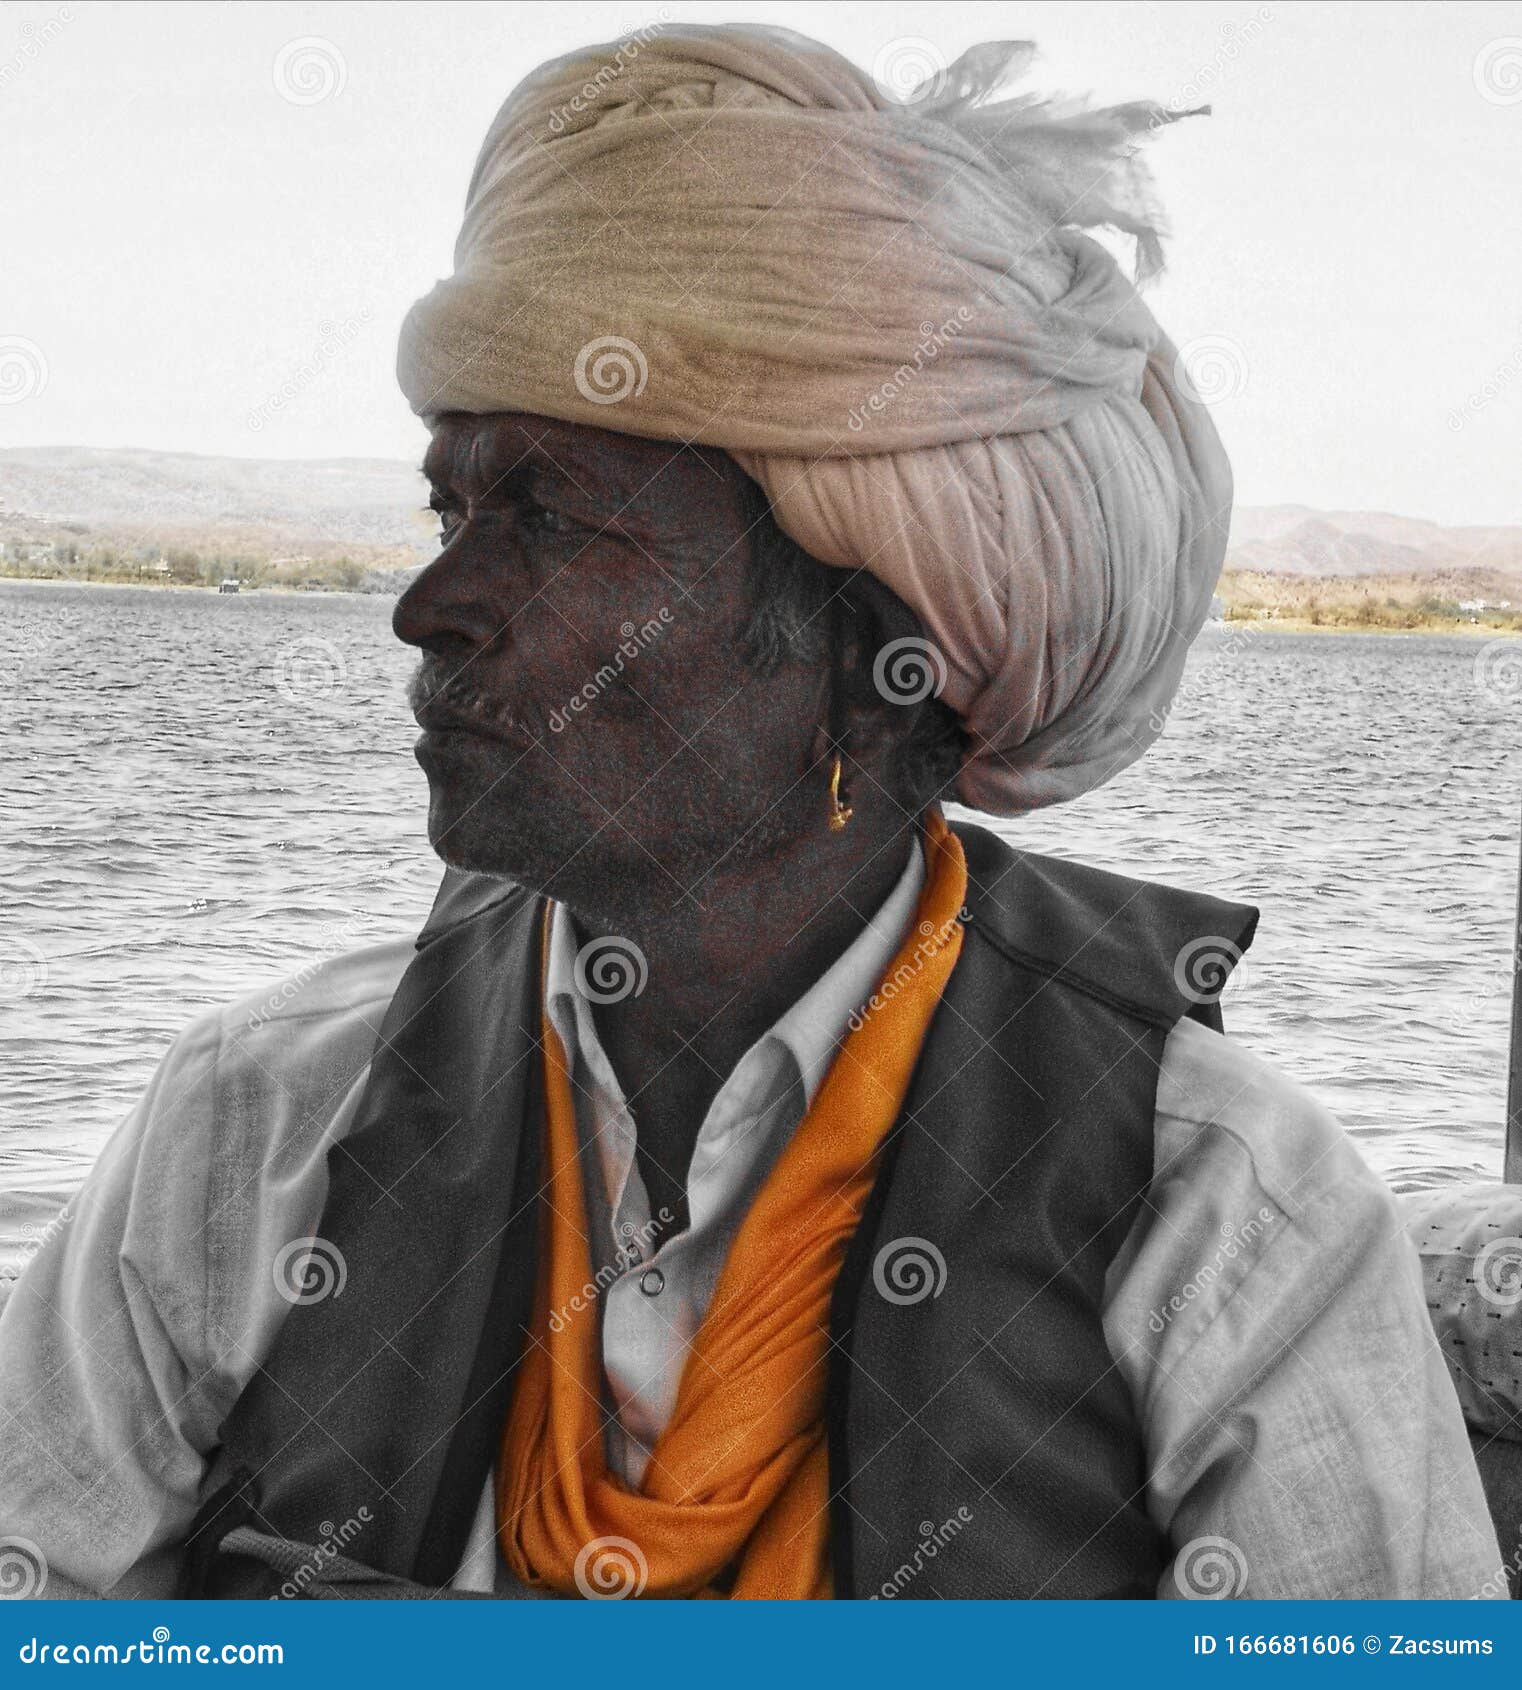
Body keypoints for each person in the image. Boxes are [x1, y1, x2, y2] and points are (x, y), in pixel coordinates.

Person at [0, 23, 1503, 1601]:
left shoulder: (1214, 1206)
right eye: (450, 508)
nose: (428, 605)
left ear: (873, 664)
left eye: (552, 522)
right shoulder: (255, 1119)